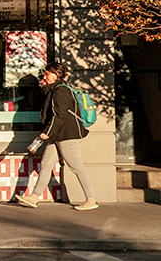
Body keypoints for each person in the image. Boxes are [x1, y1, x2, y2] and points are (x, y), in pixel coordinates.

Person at [17, 62, 98, 211]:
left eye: (47, 74)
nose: (44, 77)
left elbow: (58, 116)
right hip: (57, 135)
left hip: (67, 135)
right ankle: (34, 197)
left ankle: (91, 199)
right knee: (46, 165)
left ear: (56, 75)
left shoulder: (60, 91)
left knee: (76, 167)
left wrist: (46, 133)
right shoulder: (56, 90)